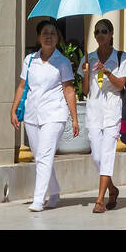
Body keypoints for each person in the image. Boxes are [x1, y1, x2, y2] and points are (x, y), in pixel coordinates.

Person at [10, 19, 79, 212]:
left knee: (46, 155)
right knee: (39, 156)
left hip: (55, 114)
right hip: (32, 114)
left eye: (53, 33)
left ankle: (38, 199)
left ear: (57, 38)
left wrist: (74, 118)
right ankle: (55, 192)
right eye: (45, 33)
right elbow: (22, 86)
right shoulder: (30, 59)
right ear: (39, 37)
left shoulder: (63, 61)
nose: (49, 36)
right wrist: (13, 109)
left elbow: (69, 90)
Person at [81, 18, 126, 213]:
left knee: (107, 154)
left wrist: (108, 72)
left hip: (112, 112)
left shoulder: (121, 57)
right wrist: (86, 74)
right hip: (94, 112)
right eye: (96, 32)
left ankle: (100, 200)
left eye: (103, 31)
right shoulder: (89, 58)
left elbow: (121, 85)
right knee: (96, 156)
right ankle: (112, 188)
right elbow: (85, 91)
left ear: (111, 35)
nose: (100, 35)